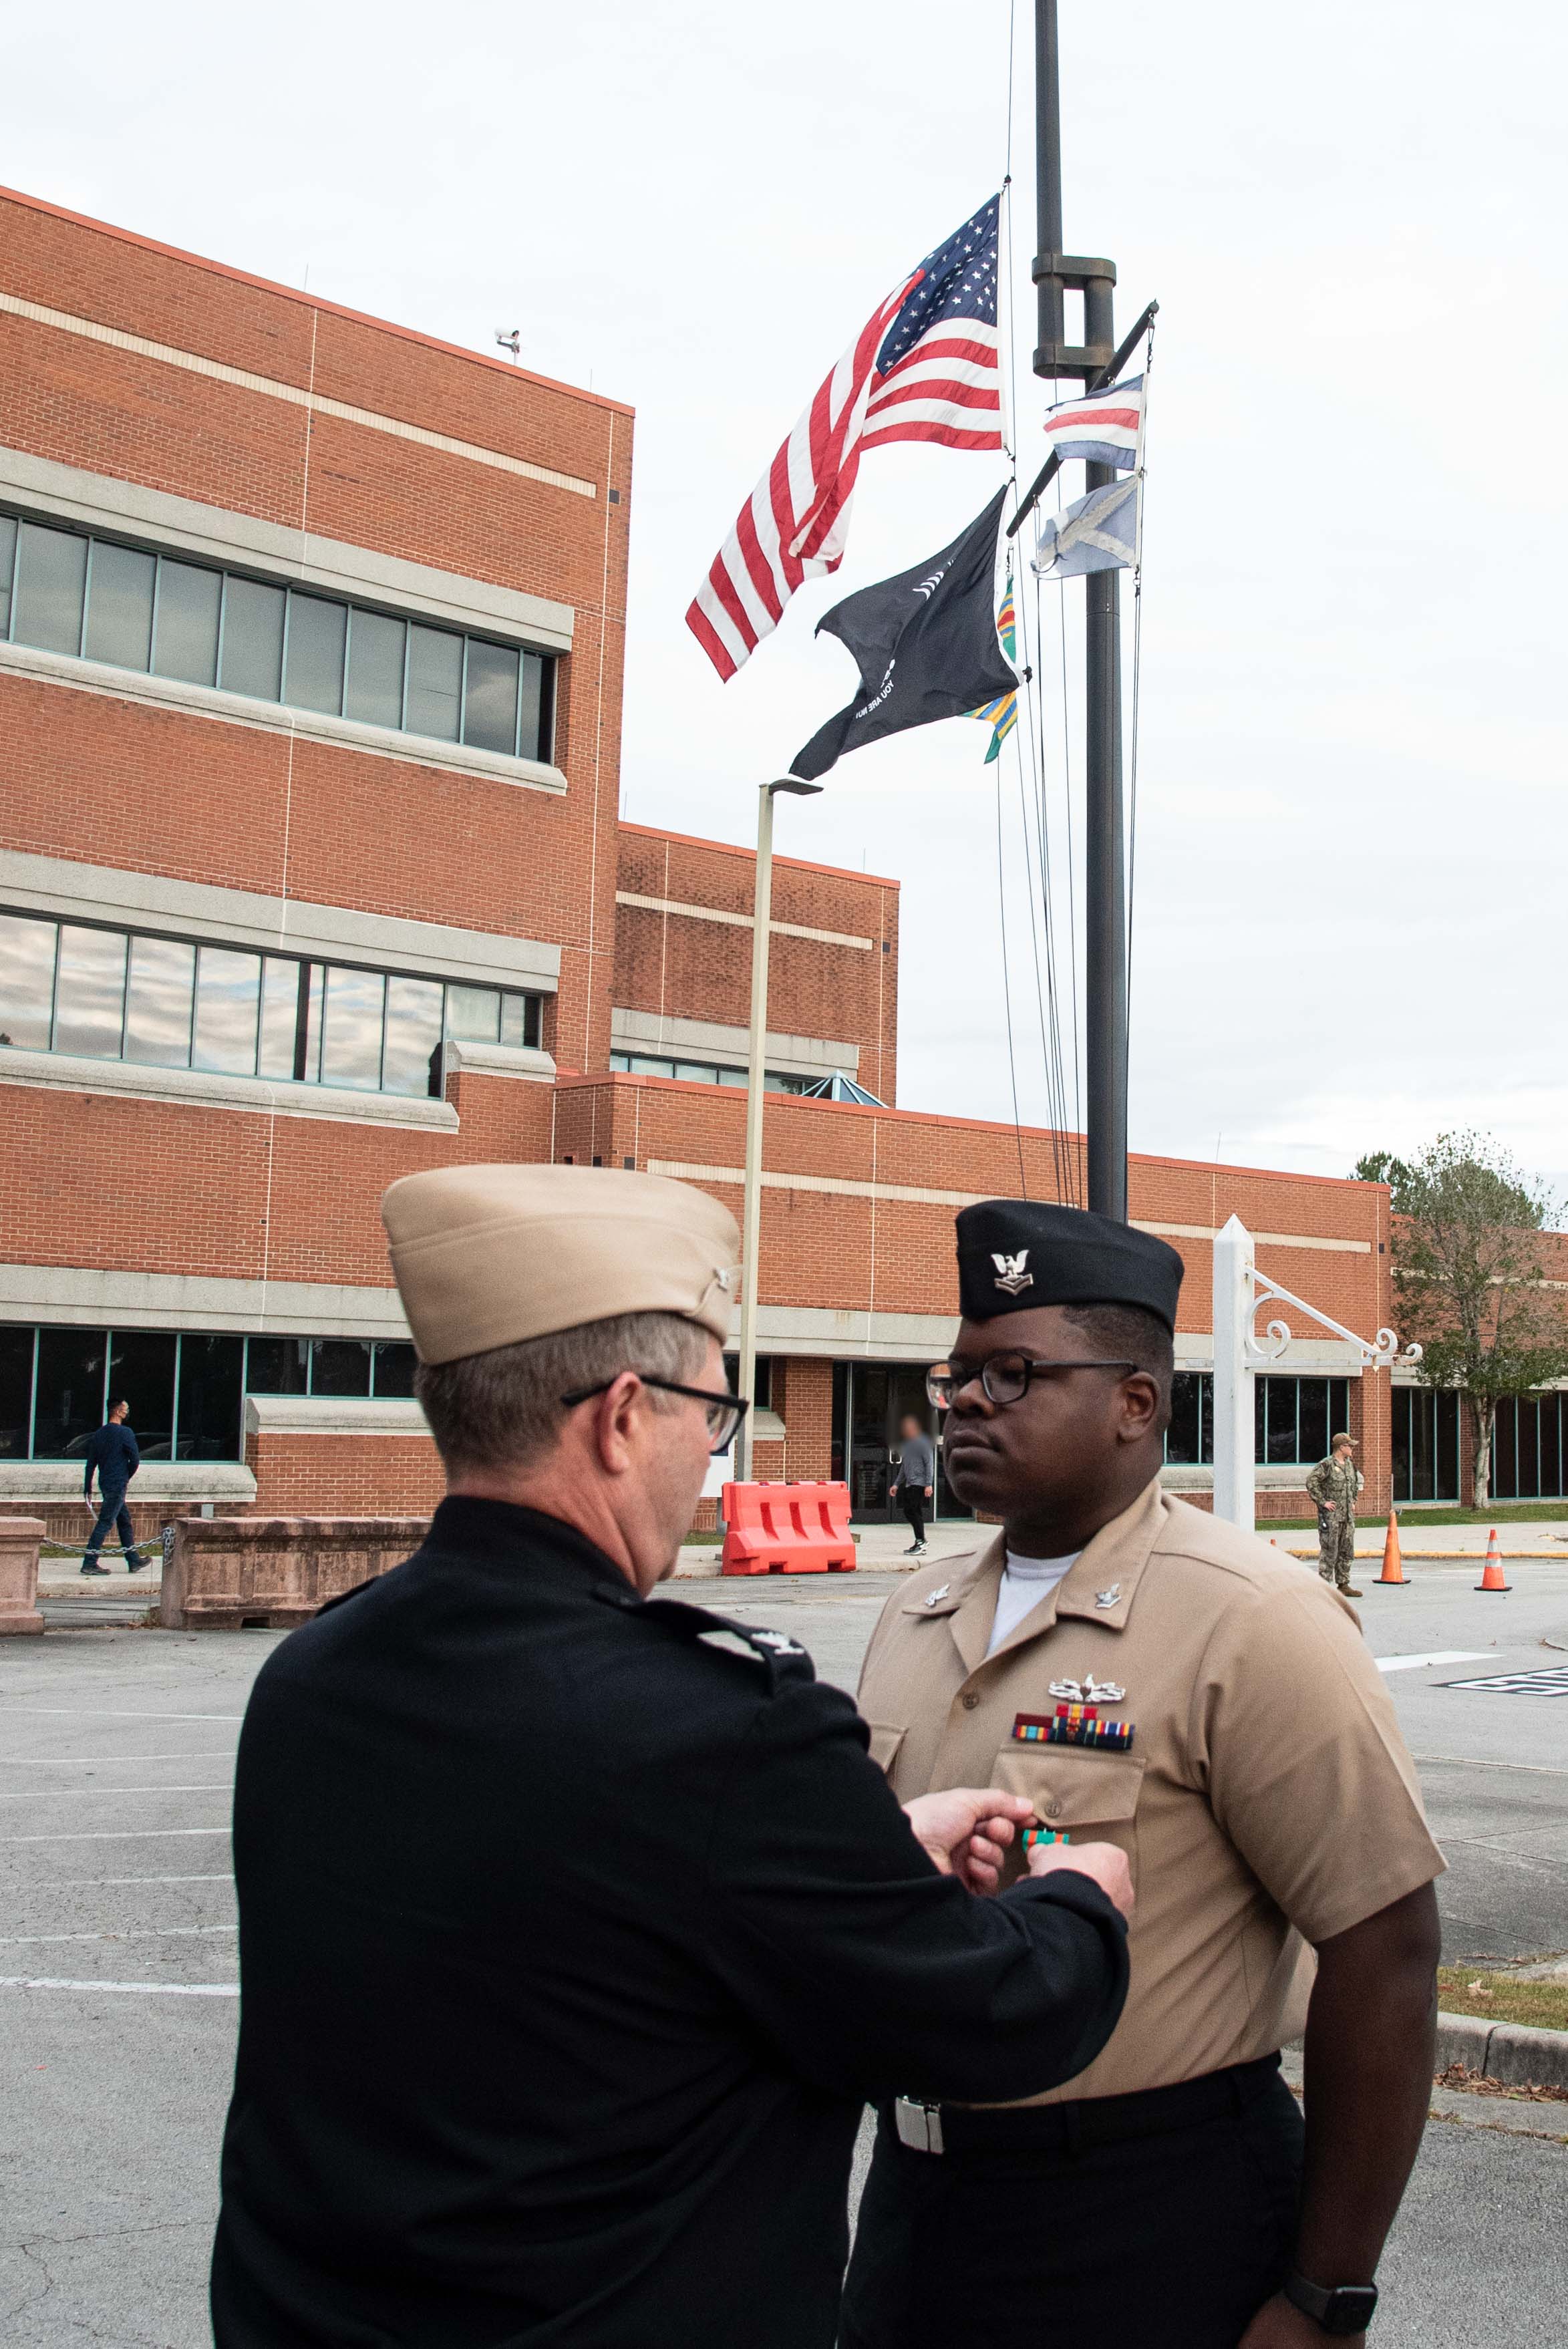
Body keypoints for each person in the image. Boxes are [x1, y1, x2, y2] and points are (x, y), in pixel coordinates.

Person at [210, 1164, 1134, 2349]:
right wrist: (1076, 1903)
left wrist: (865, 1853)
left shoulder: (312, 1679)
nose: (709, 1456)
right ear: (619, 1419)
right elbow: (982, 2014)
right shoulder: (725, 1735)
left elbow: (563, 1915)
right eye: (710, 1414)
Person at [844, 1199, 1446, 2349]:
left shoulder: (1253, 1619)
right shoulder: (915, 1612)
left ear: (1135, 1403)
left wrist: (1326, 2297)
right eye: (958, 1374)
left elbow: (1385, 1949)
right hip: (917, 2208)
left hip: (1147, 2215)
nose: (965, 1400)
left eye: (1013, 1374)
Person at [80, 1398, 148, 1577]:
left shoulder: (99, 1434)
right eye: (125, 1408)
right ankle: (89, 1562)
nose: (127, 1411)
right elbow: (135, 1459)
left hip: (106, 1482)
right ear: (117, 1411)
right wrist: (126, 1476)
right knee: (105, 1522)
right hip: (118, 1483)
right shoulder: (125, 1433)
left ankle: (133, 1559)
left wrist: (87, 1487)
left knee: (124, 1520)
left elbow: (91, 1463)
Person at [1306, 1431, 1364, 1598]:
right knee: (1330, 1551)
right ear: (1341, 1447)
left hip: (1347, 1517)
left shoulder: (1350, 1465)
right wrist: (1323, 1502)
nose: (1352, 1449)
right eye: (1350, 1446)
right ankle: (1324, 1586)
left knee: (1347, 1550)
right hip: (1331, 1518)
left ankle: (1343, 1584)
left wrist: (1353, 1500)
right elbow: (1311, 1482)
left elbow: (1354, 1484)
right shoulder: (1327, 1465)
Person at [889, 1410, 935, 1556]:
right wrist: (896, 1484)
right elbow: (905, 1466)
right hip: (910, 1483)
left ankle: (921, 1541)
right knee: (914, 1511)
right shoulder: (908, 1444)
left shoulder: (923, 1442)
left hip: (920, 1483)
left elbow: (929, 1463)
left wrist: (928, 1484)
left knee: (911, 1510)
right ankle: (920, 1541)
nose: (905, 1430)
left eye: (908, 1428)